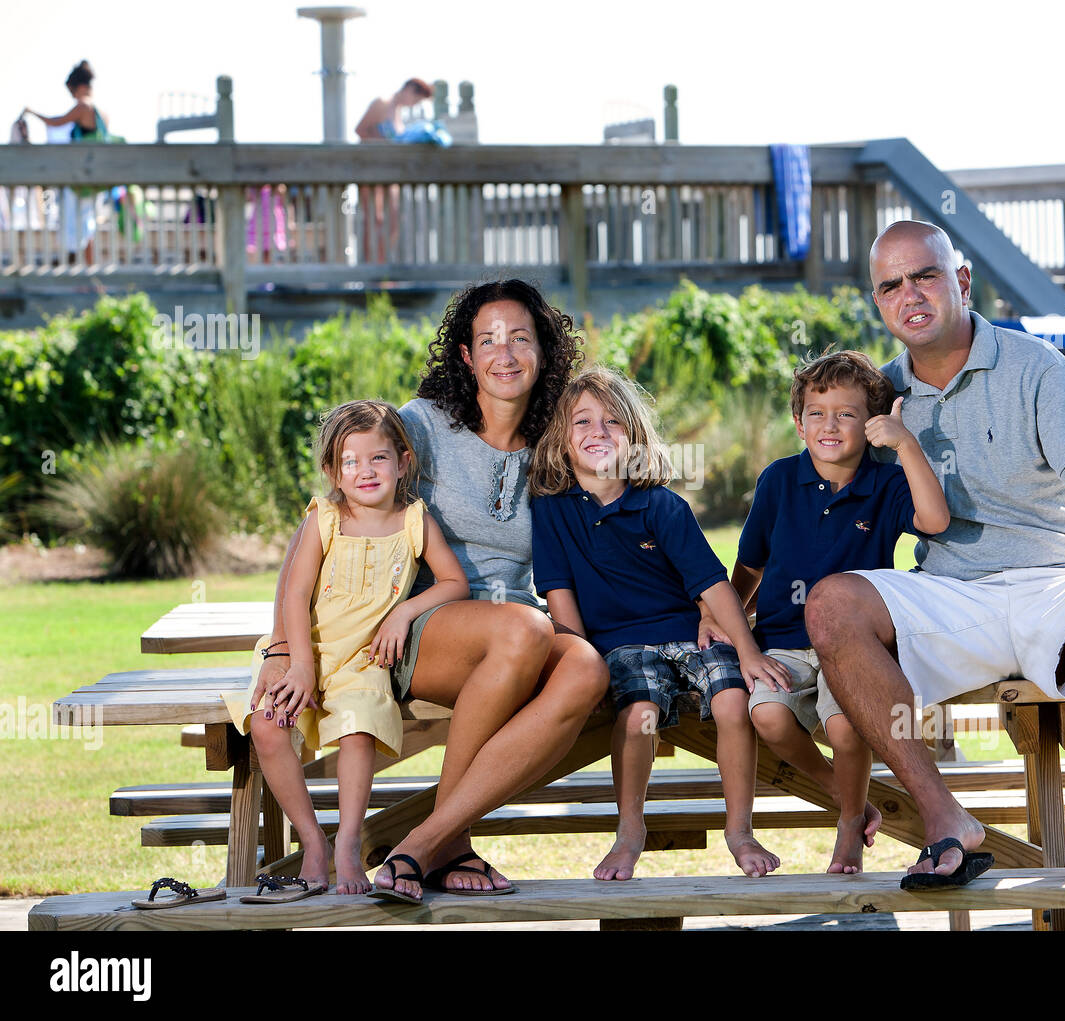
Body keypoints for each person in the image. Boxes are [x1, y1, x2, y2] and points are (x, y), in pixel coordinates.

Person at [806, 220, 1065, 889]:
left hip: (1055, 582)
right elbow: (807, 502)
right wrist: (739, 603)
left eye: (926, 275)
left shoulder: (1037, 367)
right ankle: (946, 819)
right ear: (878, 304)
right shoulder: (876, 394)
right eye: (892, 285)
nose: (910, 293)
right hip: (950, 591)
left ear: (961, 280)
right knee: (831, 605)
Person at [255, 280, 609, 903]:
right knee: (522, 629)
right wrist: (284, 650)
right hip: (413, 628)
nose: (505, 353)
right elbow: (316, 530)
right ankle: (452, 841)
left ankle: (427, 842)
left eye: (521, 338)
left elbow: (604, 533)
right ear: (467, 357)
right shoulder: (421, 425)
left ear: (543, 352)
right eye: (488, 340)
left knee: (585, 669)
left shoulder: (557, 441)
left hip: (511, 630)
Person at [529, 367, 792, 881]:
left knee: (734, 702)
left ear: (635, 437)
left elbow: (713, 587)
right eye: (582, 422)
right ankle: (630, 832)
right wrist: (579, 666)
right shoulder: (552, 513)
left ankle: (739, 829)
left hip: (692, 635)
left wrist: (748, 651)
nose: (598, 432)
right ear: (561, 442)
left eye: (613, 422)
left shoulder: (661, 505)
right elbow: (560, 598)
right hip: (620, 648)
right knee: (638, 715)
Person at [224, 400, 470, 896]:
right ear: (332, 471)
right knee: (269, 729)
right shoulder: (326, 518)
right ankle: (313, 840)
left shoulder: (415, 521)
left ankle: (349, 842)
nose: (365, 471)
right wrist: (298, 664)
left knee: (359, 731)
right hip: (303, 650)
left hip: (364, 660)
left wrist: (404, 611)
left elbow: (454, 582)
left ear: (403, 462)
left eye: (378, 458)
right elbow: (295, 592)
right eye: (350, 462)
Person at [729, 350, 950, 875]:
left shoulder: (887, 482)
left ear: (871, 424)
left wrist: (905, 444)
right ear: (798, 422)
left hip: (853, 645)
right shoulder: (778, 480)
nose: (829, 425)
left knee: (848, 729)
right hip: (780, 638)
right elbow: (749, 565)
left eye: (846, 414)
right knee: (768, 716)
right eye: (816, 412)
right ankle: (846, 796)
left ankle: (849, 826)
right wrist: (731, 625)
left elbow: (936, 520)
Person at [24, 61, 105, 263]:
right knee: (88, 226)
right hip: (97, 176)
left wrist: (32, 112)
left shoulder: (83, 106)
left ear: (80, 87)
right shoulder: (101, 112)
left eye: (72, 92)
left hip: (82, 176)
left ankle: (74, 269)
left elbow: (56, 122)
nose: (73, 97)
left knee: (73, 225)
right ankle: (90, 274)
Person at [354, 78, 434, 263]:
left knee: (393, 222)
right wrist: (386, 144)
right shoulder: (381, 103)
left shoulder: (398, 115)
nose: (413, 105)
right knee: (373, 220)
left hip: (390, 175)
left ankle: (382, 267)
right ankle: (371, 270)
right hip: (370, 170)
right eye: (416, 99)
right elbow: (360, 130)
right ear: (409, 89)